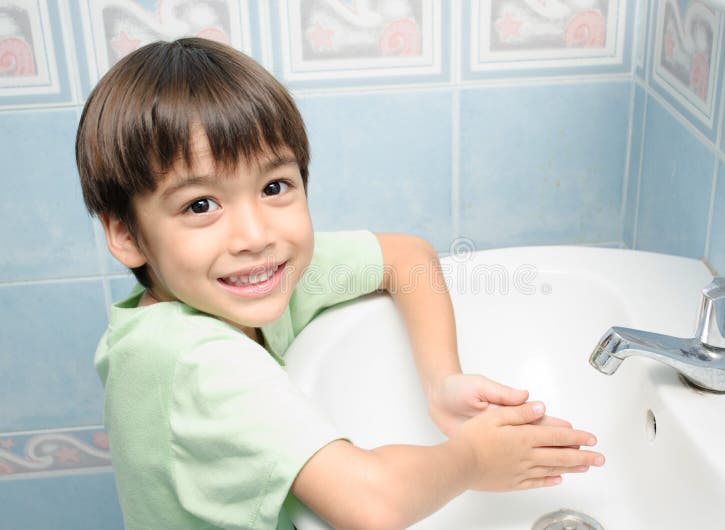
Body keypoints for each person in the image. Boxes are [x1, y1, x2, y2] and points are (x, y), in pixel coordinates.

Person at [75, 37, 604, 530]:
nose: (255, 235)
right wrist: (472, 460)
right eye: (200, 205)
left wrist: (442, 382)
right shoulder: (194, 361)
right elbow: (372, 505)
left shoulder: (249, 279)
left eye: (274, 186)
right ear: (126, 234)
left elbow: (407, 258)